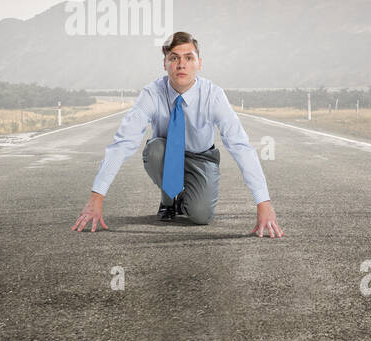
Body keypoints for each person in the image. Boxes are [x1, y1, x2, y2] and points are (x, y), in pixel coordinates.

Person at [70, 31, 284, 237]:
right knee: (155, 149)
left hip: (201, 157)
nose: (181, 64)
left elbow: (240, 146)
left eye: (188, 58)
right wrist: (96, 197)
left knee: (200, 216)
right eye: (174, 58)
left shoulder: (214, 95)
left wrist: (263, 203)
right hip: (165, 153)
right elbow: (123, 143)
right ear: (165, 63)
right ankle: (169, 199)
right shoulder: (151, 94)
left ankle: (183, 198)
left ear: (199, 63)